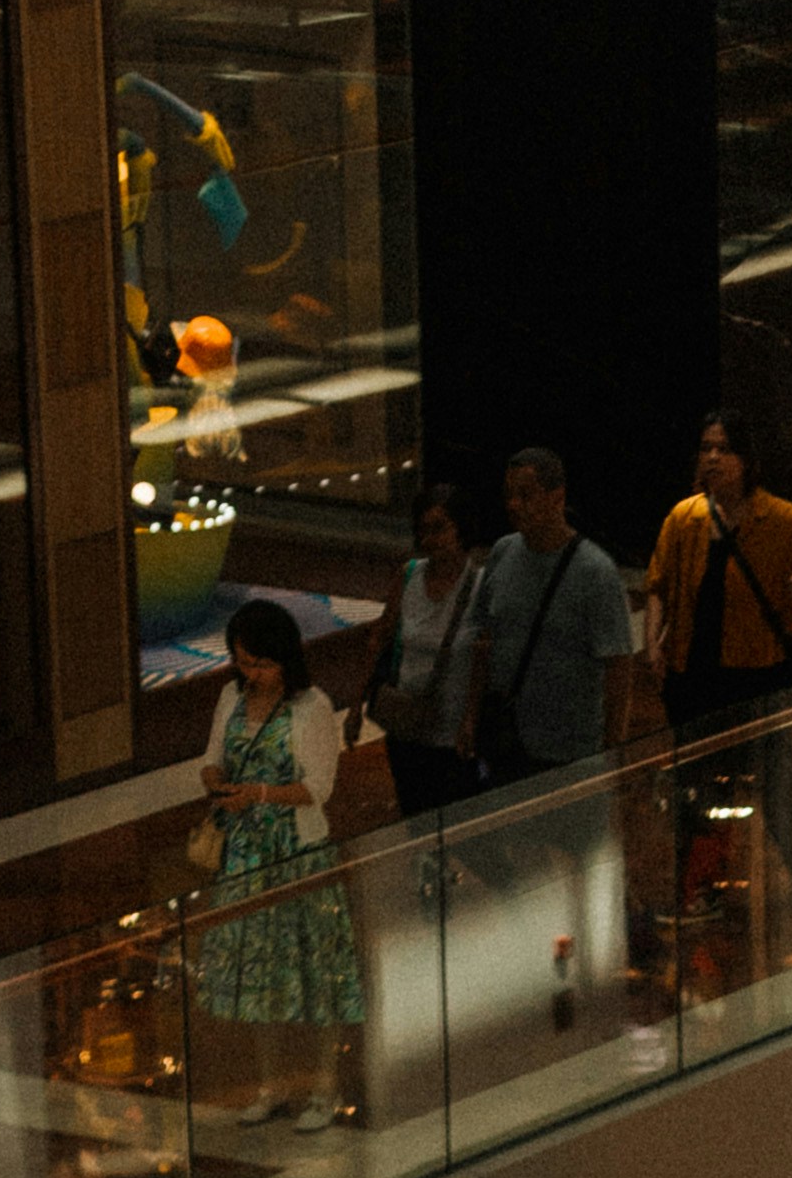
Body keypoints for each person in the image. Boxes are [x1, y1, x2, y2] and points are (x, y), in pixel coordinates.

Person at [643, 410, 792, 907]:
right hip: (693, 678)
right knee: (697, 787)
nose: (713, 458)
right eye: (706, 448)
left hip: (752, 680)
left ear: (746, 459)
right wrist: (653, 641)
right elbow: (658, 584)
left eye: (724, 448)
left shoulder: (779, 519)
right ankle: (703, 883)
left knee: (775, 775)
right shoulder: (685, 518)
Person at [190, 598, 364, 1126]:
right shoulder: (230, 697)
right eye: (243, 663)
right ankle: (269, 1086)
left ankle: (325, 1091)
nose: (251, 675)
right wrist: (218, 783)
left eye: (261, 664)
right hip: (244, 856)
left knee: (312, 979)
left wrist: (258, 794)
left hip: (296, 855)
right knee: (258, 980)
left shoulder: (311, 708)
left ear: (285, 659)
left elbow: (319, 788)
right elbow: (210, 759)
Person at [471, 447, 639, 784]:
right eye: (509, 495)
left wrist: (613, 749)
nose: (514, 505)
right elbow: (484, 641)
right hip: (508, 744)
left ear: (557, 497)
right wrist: (470, 718)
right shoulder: (503, 553)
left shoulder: (596, 573)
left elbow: (619, 667)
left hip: (571, 756)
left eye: (526, 495)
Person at [368, 477, 492, 825]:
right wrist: (355, 707)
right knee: (416, 823)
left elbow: (483, 656)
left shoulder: (479, 585)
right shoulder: (409, 575)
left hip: (452, 736)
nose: (430, 540)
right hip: (408, 728)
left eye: (440, 529)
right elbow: (382, 637)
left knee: (464, 827)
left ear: (461, 528)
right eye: (424, 530)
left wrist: (469, 720)